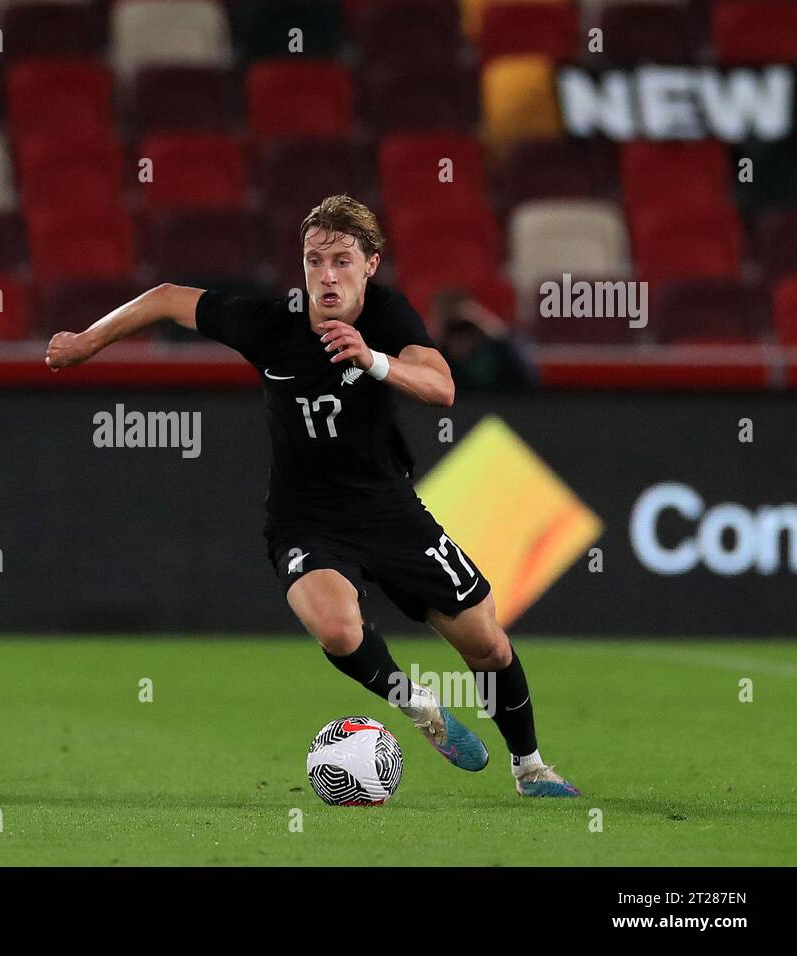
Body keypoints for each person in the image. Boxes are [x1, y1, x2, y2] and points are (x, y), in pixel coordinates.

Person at [45, 194, 578, 797]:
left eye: (342, 260)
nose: (327, 274)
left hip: (390, 511)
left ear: (370, 264)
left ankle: (530, 767)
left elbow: (441, 387)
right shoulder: (271, 325)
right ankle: (419, 706)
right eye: (314, 259)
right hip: (307, 520)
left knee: (487, 644)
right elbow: (168, 296)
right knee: (337, 629)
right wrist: (90, 340)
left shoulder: (387, 316)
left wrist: (373, 359)